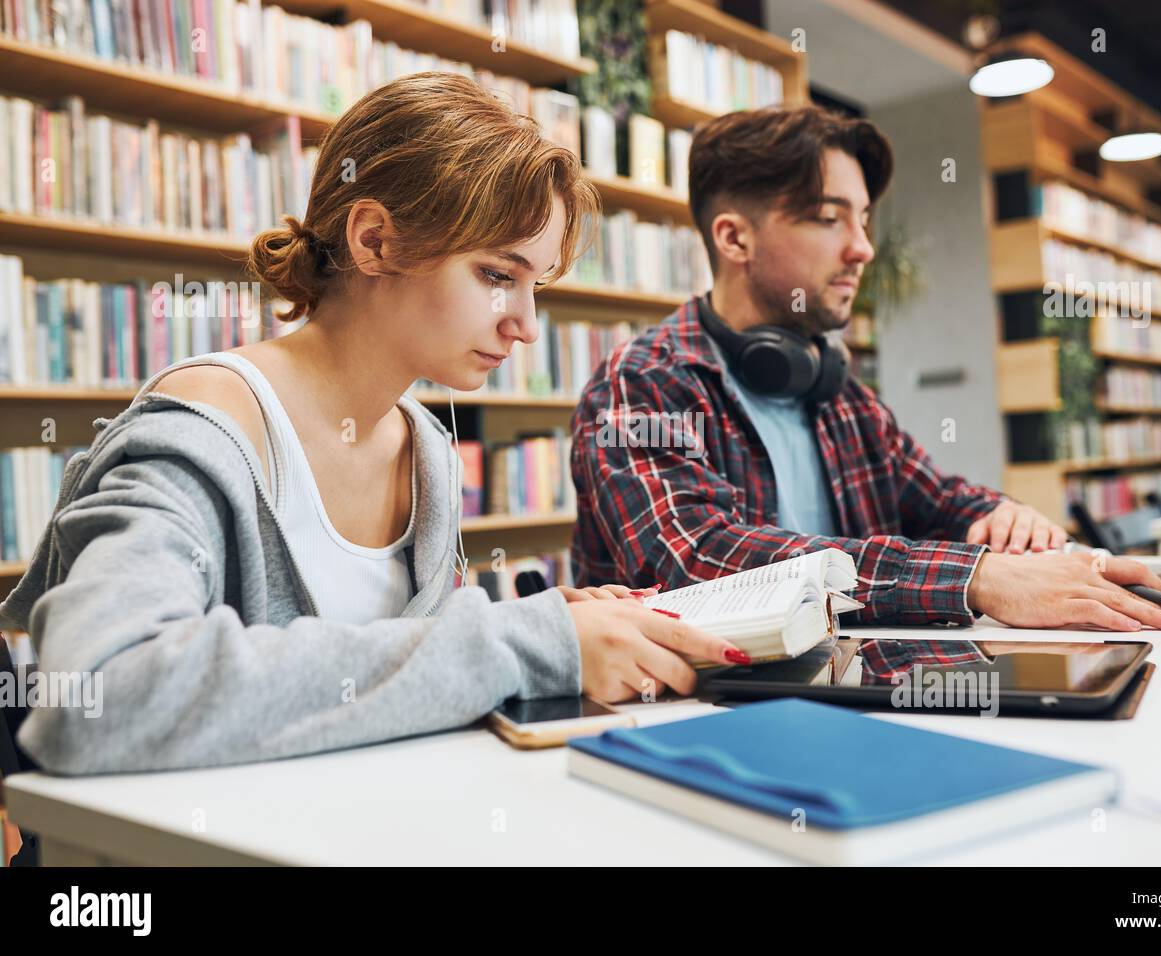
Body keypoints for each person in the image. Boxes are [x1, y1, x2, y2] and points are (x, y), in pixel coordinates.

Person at [0, 73, 744, 775]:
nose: (524, 324)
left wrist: (548, 626)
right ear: (375, 242)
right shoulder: (202, 427)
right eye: (497, 275)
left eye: (535, 284)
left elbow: (380, 677)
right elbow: (98, 695)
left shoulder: (427, 450)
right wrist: (525, 642)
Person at [569, 104, 1161, 635]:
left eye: (863, 219)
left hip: (844, 690)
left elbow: (942, 499)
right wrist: (976, 578)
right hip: (693, 719)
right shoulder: (642, 385)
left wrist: (1005, 522)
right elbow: (698, 558)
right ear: (735, 240)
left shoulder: (839, 393)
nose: (863, 248)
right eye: (828, 217)